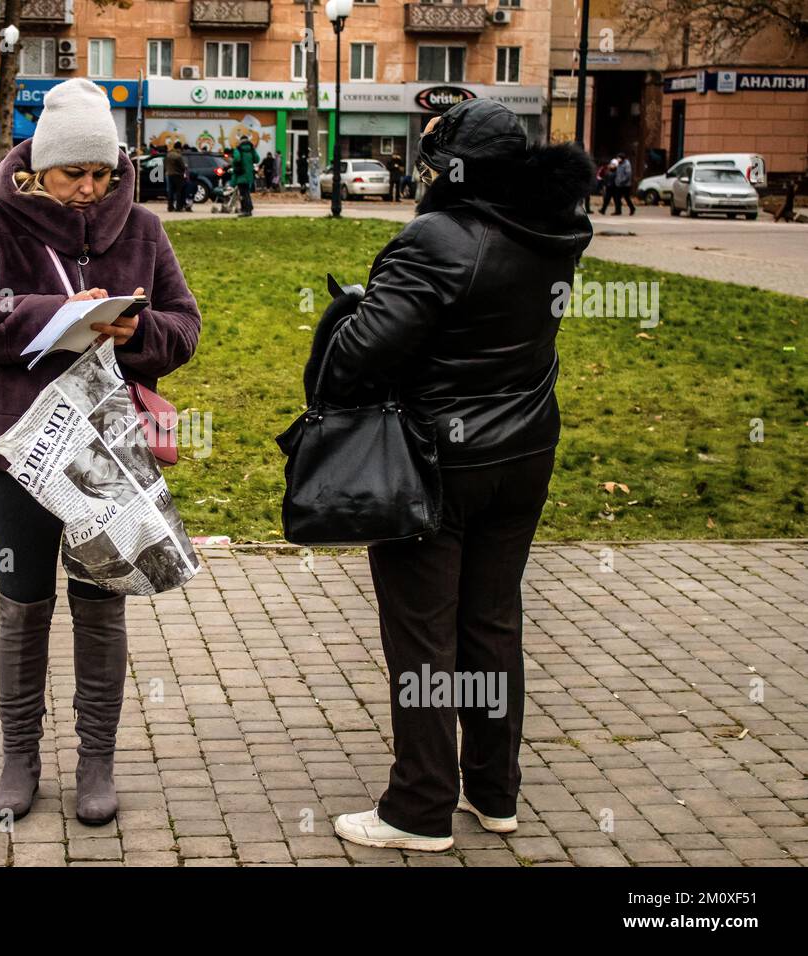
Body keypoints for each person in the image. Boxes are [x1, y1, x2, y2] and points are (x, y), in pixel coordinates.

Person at [320, 98, 594, 852]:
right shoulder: (556, 230)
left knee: (423, 638)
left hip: (433, 463)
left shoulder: (436, 238)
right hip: (522, 455)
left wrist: (347, 311)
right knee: (492, 623)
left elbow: (355, 360)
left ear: (451, 168)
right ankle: (494, 792)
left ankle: (419, 807)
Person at [0, 78, 201, 827]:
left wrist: (135, 334)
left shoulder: (143, 229)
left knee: (101, 608)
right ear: (37, 169)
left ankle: (96, 764)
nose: (87, 188)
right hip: (17, 454)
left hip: (108, 456)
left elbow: (185, 324)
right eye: (71, 173)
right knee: (24, 609)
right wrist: (56, 315)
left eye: (100, 173)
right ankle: (20, 758)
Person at [229, 134, 260, 218]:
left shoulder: (238, 149)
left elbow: (237, 158)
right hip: (249, 175)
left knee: (242, 193)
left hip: (241, 174)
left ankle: (246, 210)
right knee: (247, 192)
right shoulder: (251, 149)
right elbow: (257, 159)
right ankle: (249, 208)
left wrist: (234, 162)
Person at [163, 141, 187, 212]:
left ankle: (170, 207)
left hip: (169, 174)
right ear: (179, 148)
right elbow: (182, 167)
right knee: (178, 192)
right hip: (177, 175)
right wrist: (184, 168)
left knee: (170, 192)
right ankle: (178, 207)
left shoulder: (168, 155)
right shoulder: (178, 156)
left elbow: (164, 164)